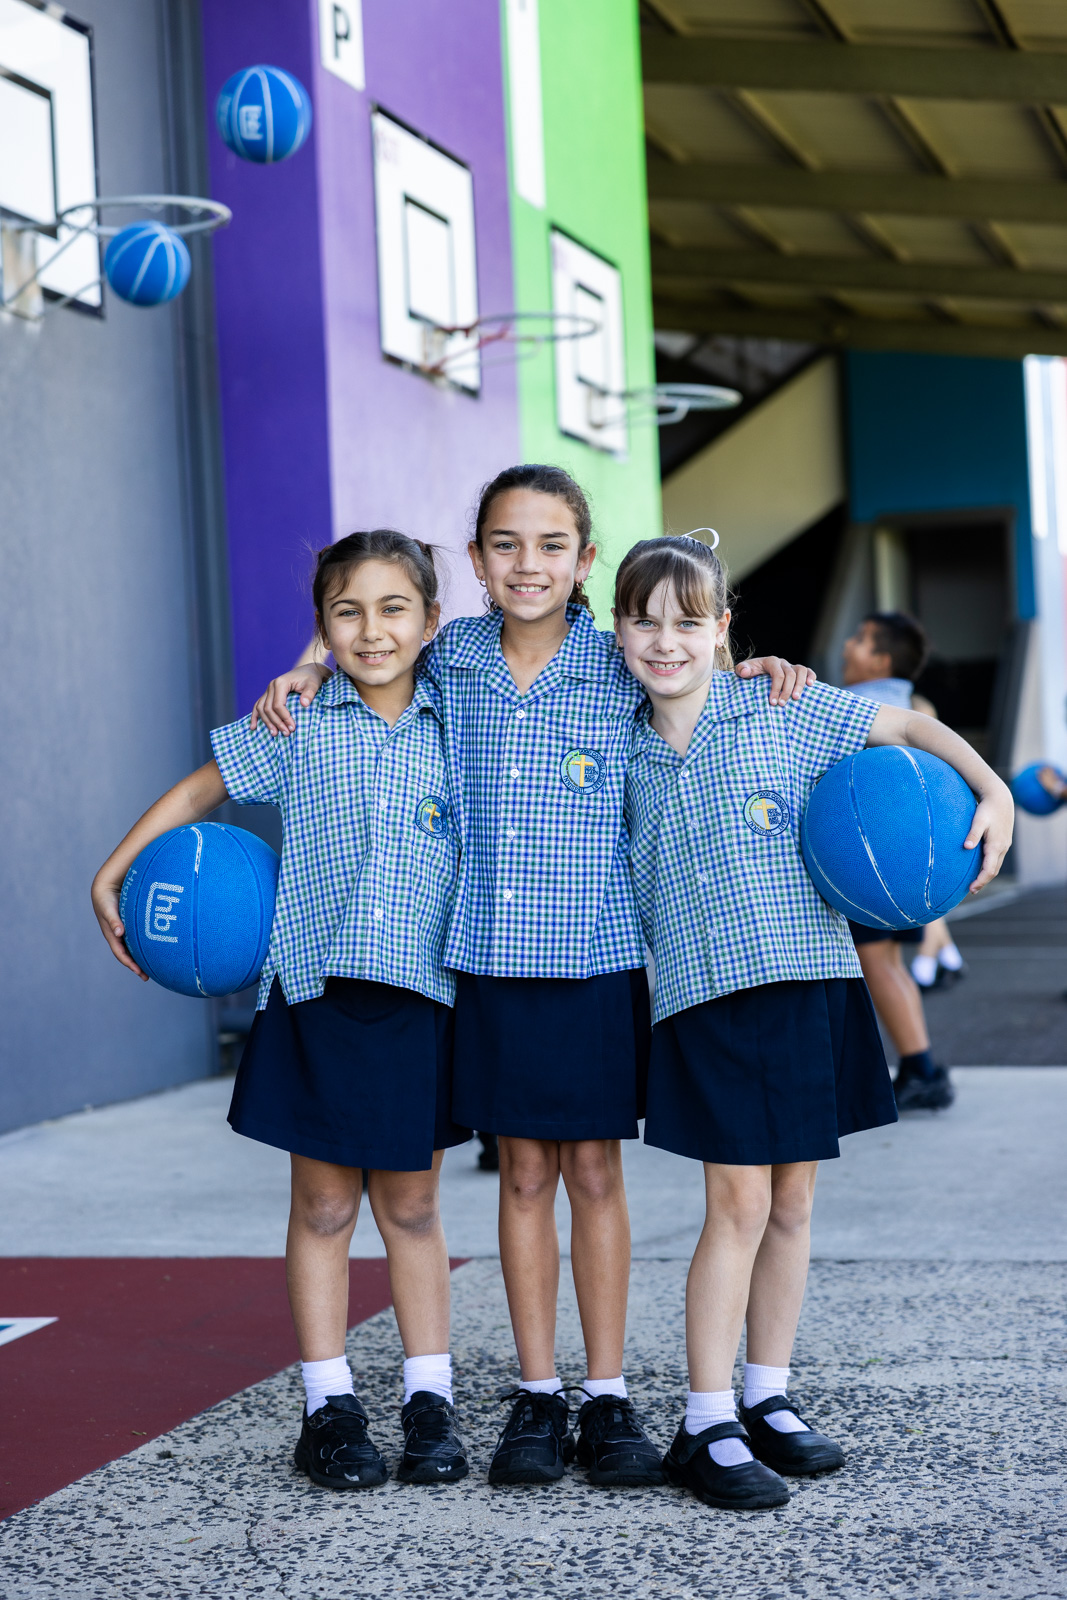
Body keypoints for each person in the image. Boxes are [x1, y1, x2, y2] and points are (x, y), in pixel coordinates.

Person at [251, 465, 810, 1489]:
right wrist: (304, 668)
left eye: (551, 545)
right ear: (473, 562)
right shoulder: (453, 654)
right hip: (490, 966)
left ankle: (606, 1397)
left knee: (594, 1174)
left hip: (598, 960)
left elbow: (692, 667)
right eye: (504, 544)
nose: (527, 564)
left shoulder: (618, 661)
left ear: (585, 561)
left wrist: (759, 662)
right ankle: (537, 1395)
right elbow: (373, 644)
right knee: (519, 1175)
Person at [616, 536, 1013, 1511]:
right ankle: (702, 1420)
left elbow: (911, 730)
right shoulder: (611, 735)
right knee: (737, 1208)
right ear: (618, 630)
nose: (664, 640)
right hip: (704, 999)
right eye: (643, 620)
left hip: (806, 981)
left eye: (686, 621)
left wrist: (993, 787)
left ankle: (764, 1395)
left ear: (722, 629)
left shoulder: (781, 708)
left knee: (790, 1203)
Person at [91, 531, 472, 1491]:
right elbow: (206, 785)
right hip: (315, 993)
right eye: (347, 611)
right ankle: (329, 1407)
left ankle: (430, 1402)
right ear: (323, 625)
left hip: (423, 996)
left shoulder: (461, 719)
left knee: (416, 1208)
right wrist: (117, 867)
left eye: (394, 609)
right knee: (325, 1205)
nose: (372, 629)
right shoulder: (299, 722)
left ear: (431, 621)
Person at [841, 612, 964, 1109]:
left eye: (859, 640)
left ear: (880, 659)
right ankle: (921, 1065)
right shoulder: (908, 704)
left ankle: (922, 1069)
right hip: (904, 863)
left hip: (873, 863)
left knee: (878, 967)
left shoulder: (863, 707)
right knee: (888, 965)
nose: (848, 646)